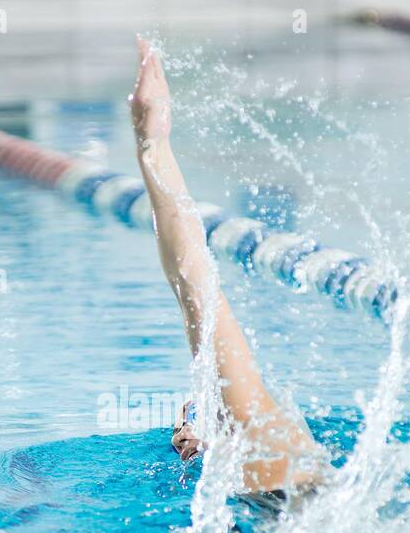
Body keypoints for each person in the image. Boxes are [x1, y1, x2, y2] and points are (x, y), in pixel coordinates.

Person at [130, 38, 325, 501]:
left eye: (194, 414)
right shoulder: (280, 460)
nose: (185, 431)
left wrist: (152, 145)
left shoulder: (271, 448)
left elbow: (193, 279)